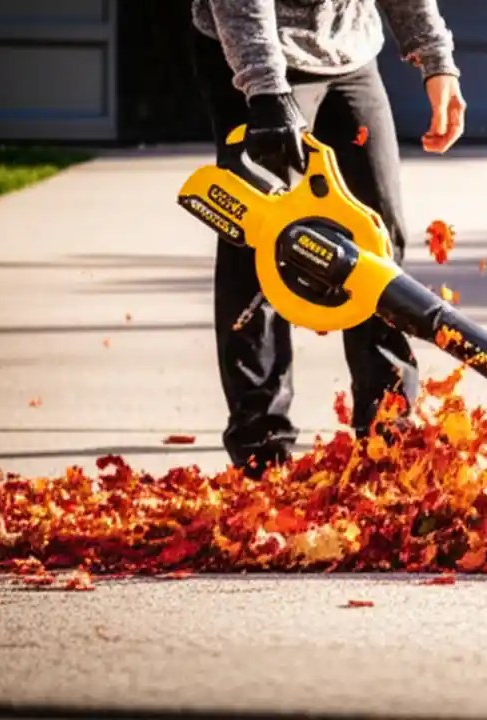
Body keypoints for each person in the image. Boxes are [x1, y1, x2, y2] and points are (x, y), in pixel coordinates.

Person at [188, 0, 466, 477]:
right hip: (256, 52)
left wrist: (436, 60)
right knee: (264, 243)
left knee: (378, 237)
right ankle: (261, 446)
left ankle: (387, 436)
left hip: (350, 53)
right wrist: (265, 88)